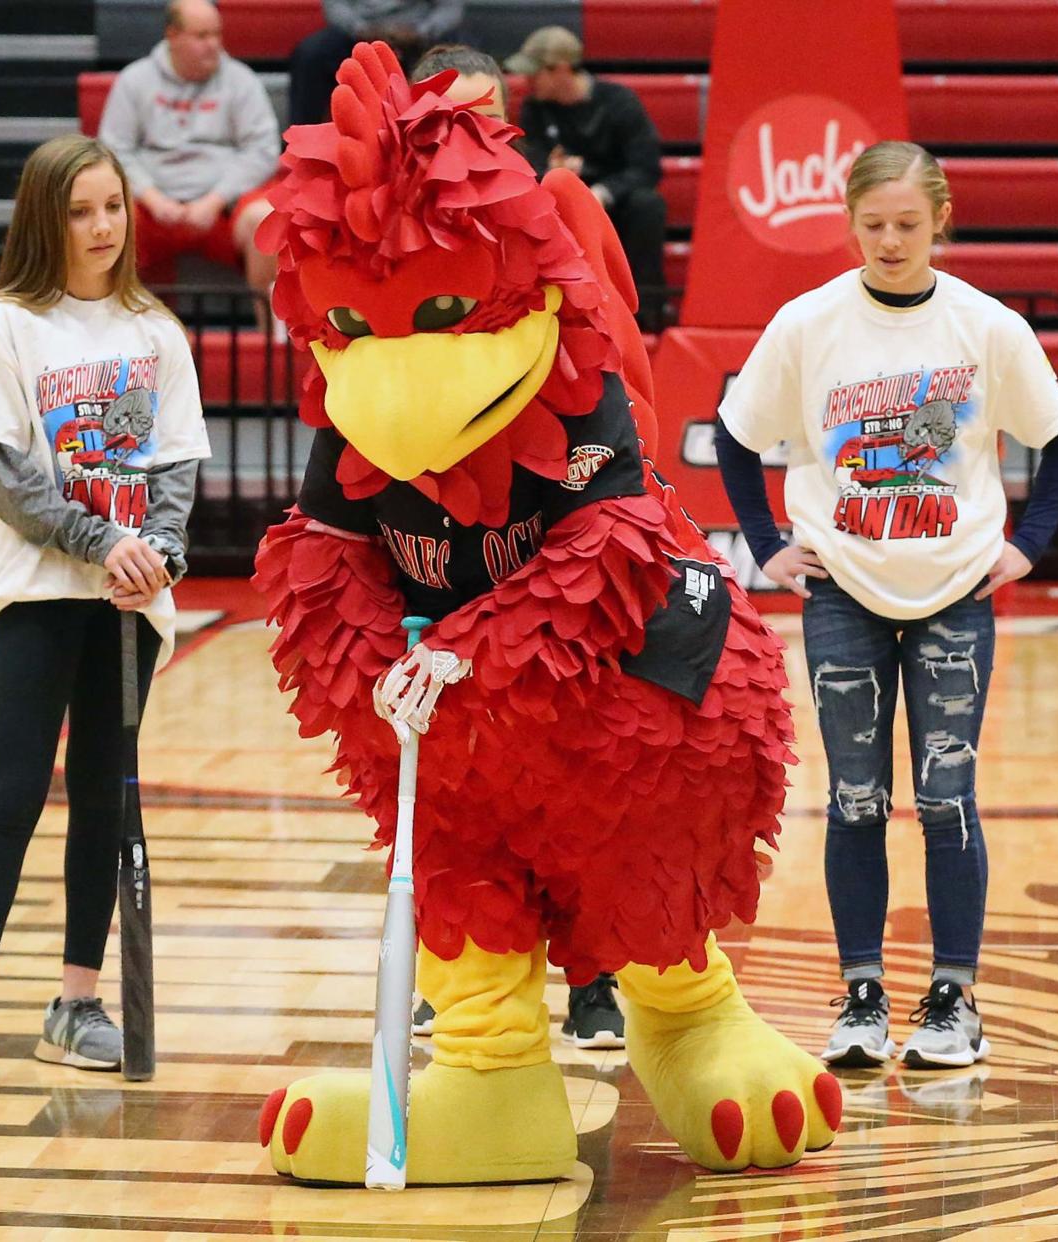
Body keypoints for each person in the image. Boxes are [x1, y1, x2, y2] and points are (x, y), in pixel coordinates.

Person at [716, 141, 1058, 1070]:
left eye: (908, 225)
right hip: (842, 592)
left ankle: (955, 1001)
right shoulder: (807, 324)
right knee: (854, 800)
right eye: (873, 224)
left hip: (956, 593)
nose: (889, 241)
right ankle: (862, 996)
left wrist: (1028, 546)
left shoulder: (986, 325)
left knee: (947, 797)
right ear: (848, 223)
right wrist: (768, 544)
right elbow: (735, 438)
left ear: (939, 222)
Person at [0, 134, 211, 1088]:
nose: (101, 227)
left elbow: (175, 468)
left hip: (128, 604)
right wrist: (102, 542)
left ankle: (76, 1003)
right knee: (12, 794)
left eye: (113, 207)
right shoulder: (6, 326)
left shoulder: (155, 332)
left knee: (103, 800)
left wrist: (160, 554)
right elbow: (7, 478)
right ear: (45, 219)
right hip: (40, 595)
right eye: (80, 210)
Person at [405, 41, 626, 1049]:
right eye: (451, 119)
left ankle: (594, 976)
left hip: (552, 515)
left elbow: (606, 349)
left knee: (576, 773)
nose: (474, 138)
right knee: (452, 785)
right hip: (438, 537)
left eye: (488, 116)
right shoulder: (390, 240)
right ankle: (456, 974)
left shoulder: (554, 211)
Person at [98, 0, 280, 324]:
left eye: (217, 34)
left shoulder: (241, 80)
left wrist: (216, 199)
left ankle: (271, 341)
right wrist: (152, 198)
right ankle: (104, 334)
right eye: (201, 36)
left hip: (223, 209)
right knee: (104, 221)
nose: (213, 45)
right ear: (173, 35)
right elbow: (114, 149)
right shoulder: (135, 80)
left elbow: (263, 150)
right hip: (151, 207)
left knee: (266, 219)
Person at [506, 26, 667, 332]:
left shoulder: (619, 102)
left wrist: (604, 191)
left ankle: (647, 311)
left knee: (648, 205)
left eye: (535, 73)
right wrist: (552, 171)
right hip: (561, 200)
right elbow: (529, 163)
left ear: (561, 69)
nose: (527, 81)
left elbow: (646, 167)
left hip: (614, 200)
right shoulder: (534, 109)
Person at [289, 0, 464, 126]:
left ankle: (456, 140)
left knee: (458, 56)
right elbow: (335, 4)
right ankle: (303, 143)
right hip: (359, 29)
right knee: (310, 55)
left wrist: (421, 32)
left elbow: (450, 7)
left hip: (419, 30)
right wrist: (360, 29)